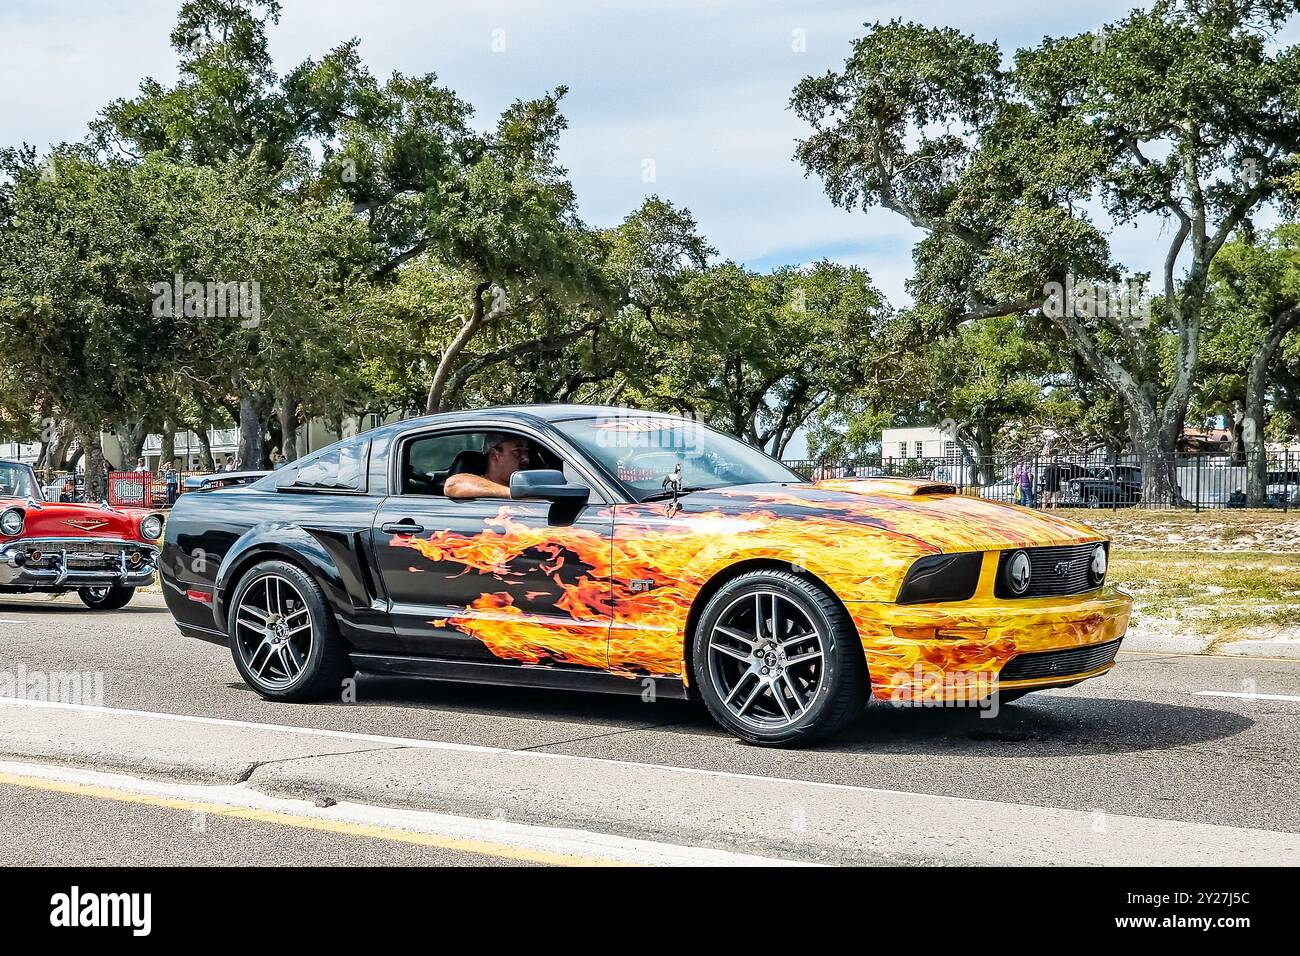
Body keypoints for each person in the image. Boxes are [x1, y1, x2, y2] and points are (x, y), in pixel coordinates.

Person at [444, 433, 531, 499]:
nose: (526, 459)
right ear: (494, 455)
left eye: (526, 452)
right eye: (517, 451)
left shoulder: (529, 487)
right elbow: (452, 484)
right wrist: (512, 493)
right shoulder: (474, 488)